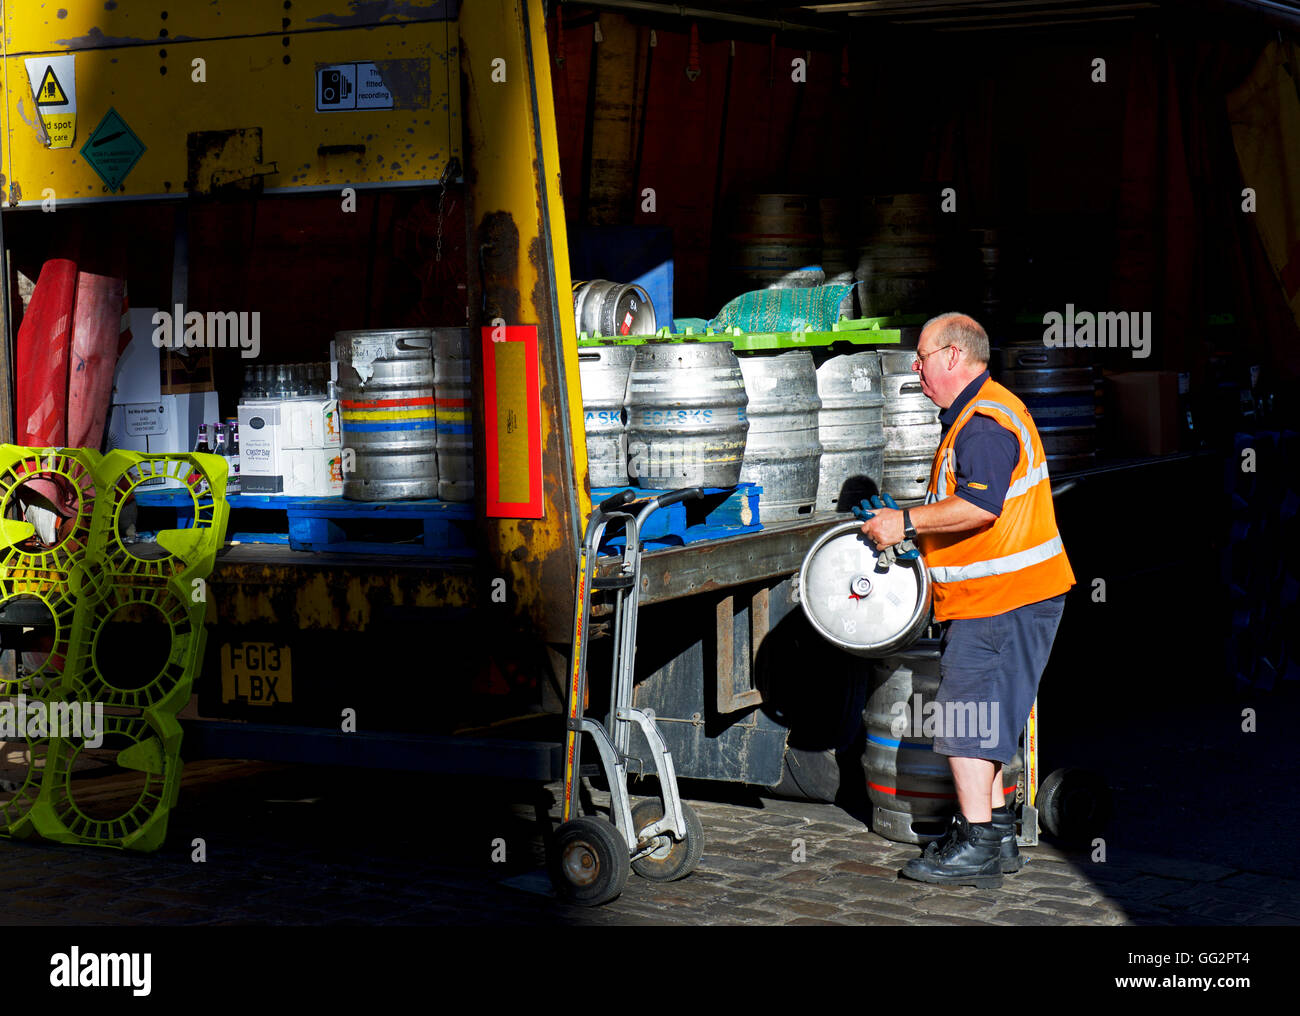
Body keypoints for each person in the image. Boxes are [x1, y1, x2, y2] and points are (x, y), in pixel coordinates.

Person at [859, 312, 1075, 888]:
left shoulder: (982, 423)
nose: (916, 366)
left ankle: (978, 845)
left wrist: (903, 523)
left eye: (923, 355)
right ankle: (994, 834)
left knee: (965, 720)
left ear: (954, 357)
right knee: (982, 720)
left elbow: (981, 506)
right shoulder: (979, 414)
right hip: (1005, 599)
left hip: (1002, 601)